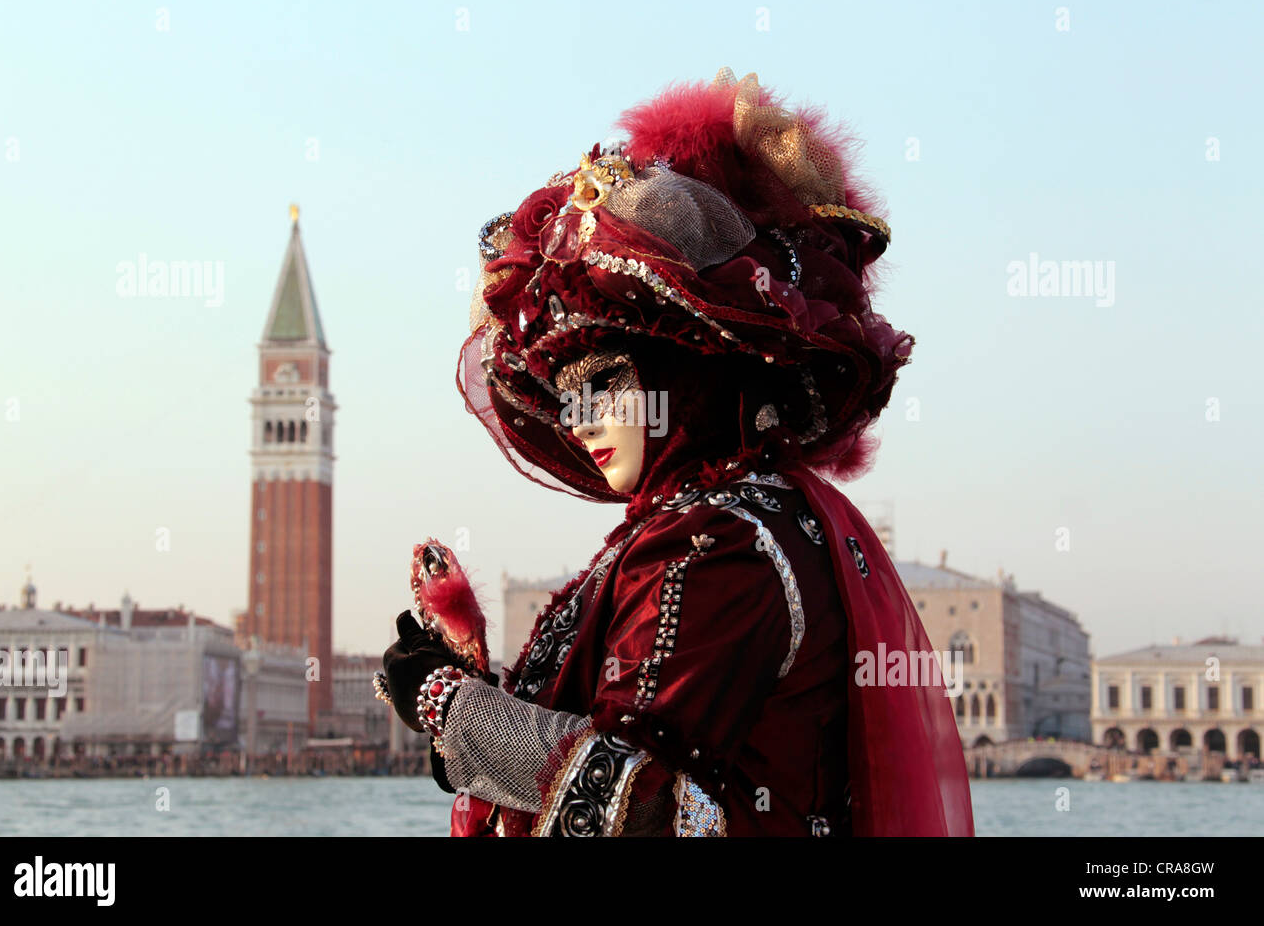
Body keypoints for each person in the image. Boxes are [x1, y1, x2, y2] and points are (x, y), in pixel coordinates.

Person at [382, 69, 973, 836]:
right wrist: (471, 677)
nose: (579, 418)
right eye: (566, 394)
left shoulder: (719, 542)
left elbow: (642, 799)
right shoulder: (721, 522)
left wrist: (449, 706)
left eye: (604, 383)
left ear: (687, 377)